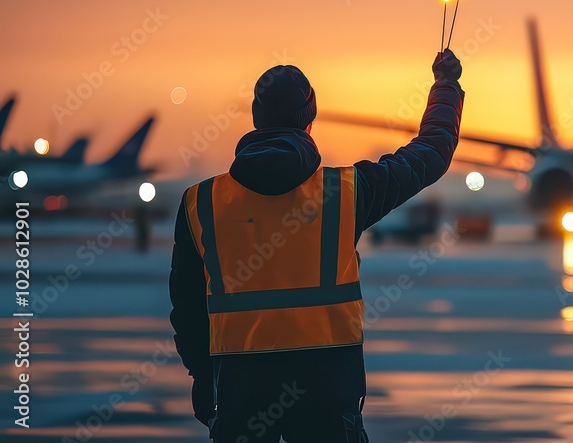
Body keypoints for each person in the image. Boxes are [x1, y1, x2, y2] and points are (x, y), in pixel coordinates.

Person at [168, 49, 464, 442]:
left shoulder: (200, 201)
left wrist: (204, 379)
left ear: (257, 118)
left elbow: (187, 309)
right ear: (310, 118)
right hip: (327, 392)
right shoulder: (346, 192)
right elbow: (431, 152)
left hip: (240, 392)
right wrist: (445, 86)